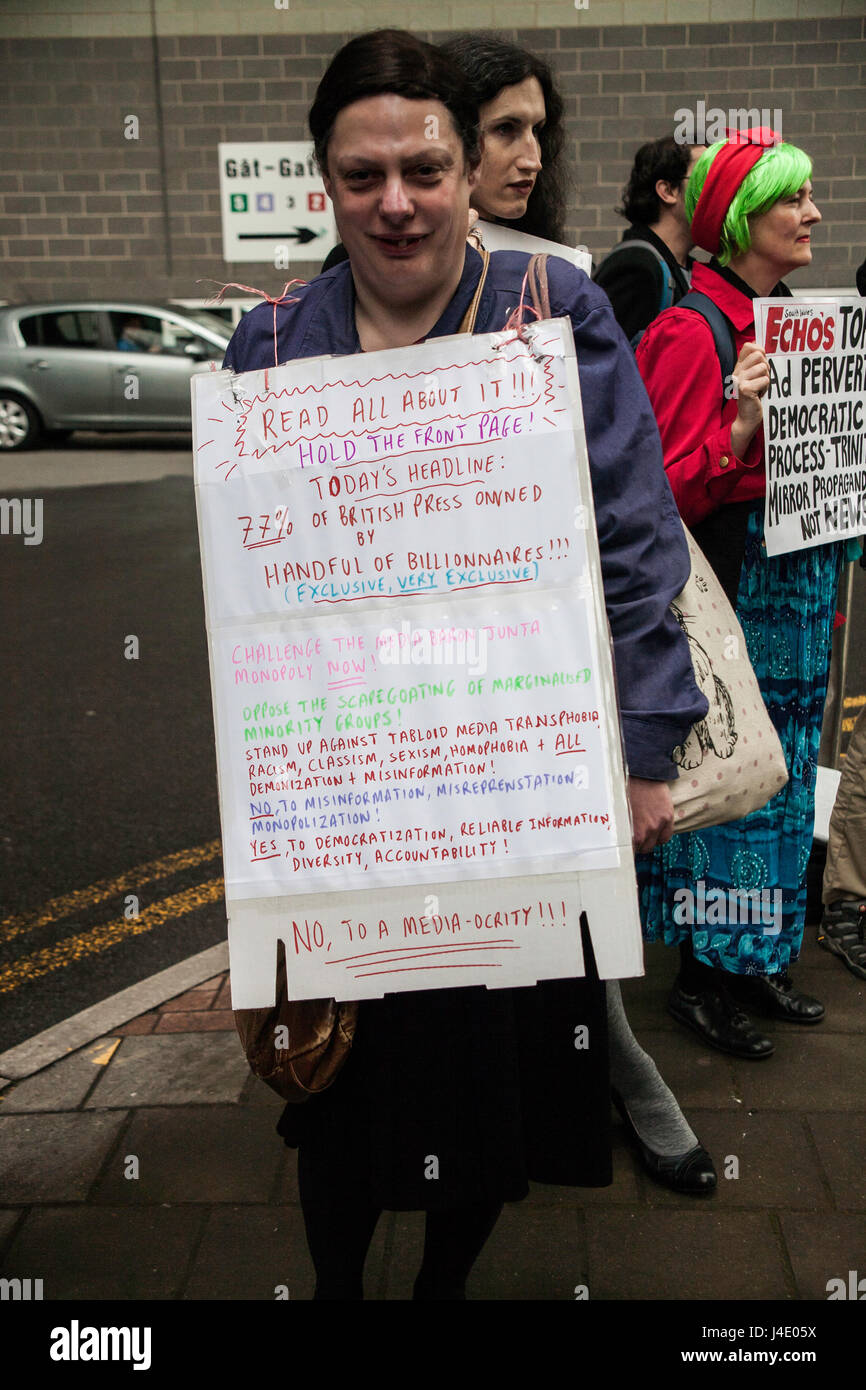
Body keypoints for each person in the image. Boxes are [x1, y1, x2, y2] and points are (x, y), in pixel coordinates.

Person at [222, 29, 707, 1300]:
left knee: (492, 1098)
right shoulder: (268, 344)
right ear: (324, 181)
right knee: (335, 1090)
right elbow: (244, 606)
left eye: (424, 168)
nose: (395, 202)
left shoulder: (554, 309)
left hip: (513, 792)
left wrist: (647, 749)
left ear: (462, 165)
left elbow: (631, 531)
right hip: (348, 801)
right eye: (360, 173)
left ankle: (439, 1289)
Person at [439, 31, 716, 1196]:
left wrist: (643, 720)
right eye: (500, 127)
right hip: (412, 664)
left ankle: (619, 1070)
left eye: (533, 130)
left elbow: (626, 501)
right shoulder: (351, 272)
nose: (523, 152)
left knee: (568, 894)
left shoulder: (555, 276)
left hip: (541, 652)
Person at [635, 129, 843, 1059]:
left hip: (797, 581)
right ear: (743, 216)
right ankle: (703, 978)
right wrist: (742, 423)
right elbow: (661, 495)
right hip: (737, 588)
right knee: (735, 770)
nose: (813, 214)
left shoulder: (802, 319)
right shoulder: (691, 329)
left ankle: (755, 953)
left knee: (787, 774)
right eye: (794, 199)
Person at [593, 135, 705, 345]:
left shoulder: (685, 266)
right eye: (705, 177)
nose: (718, 189)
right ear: (668, 191)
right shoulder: (636, 266)